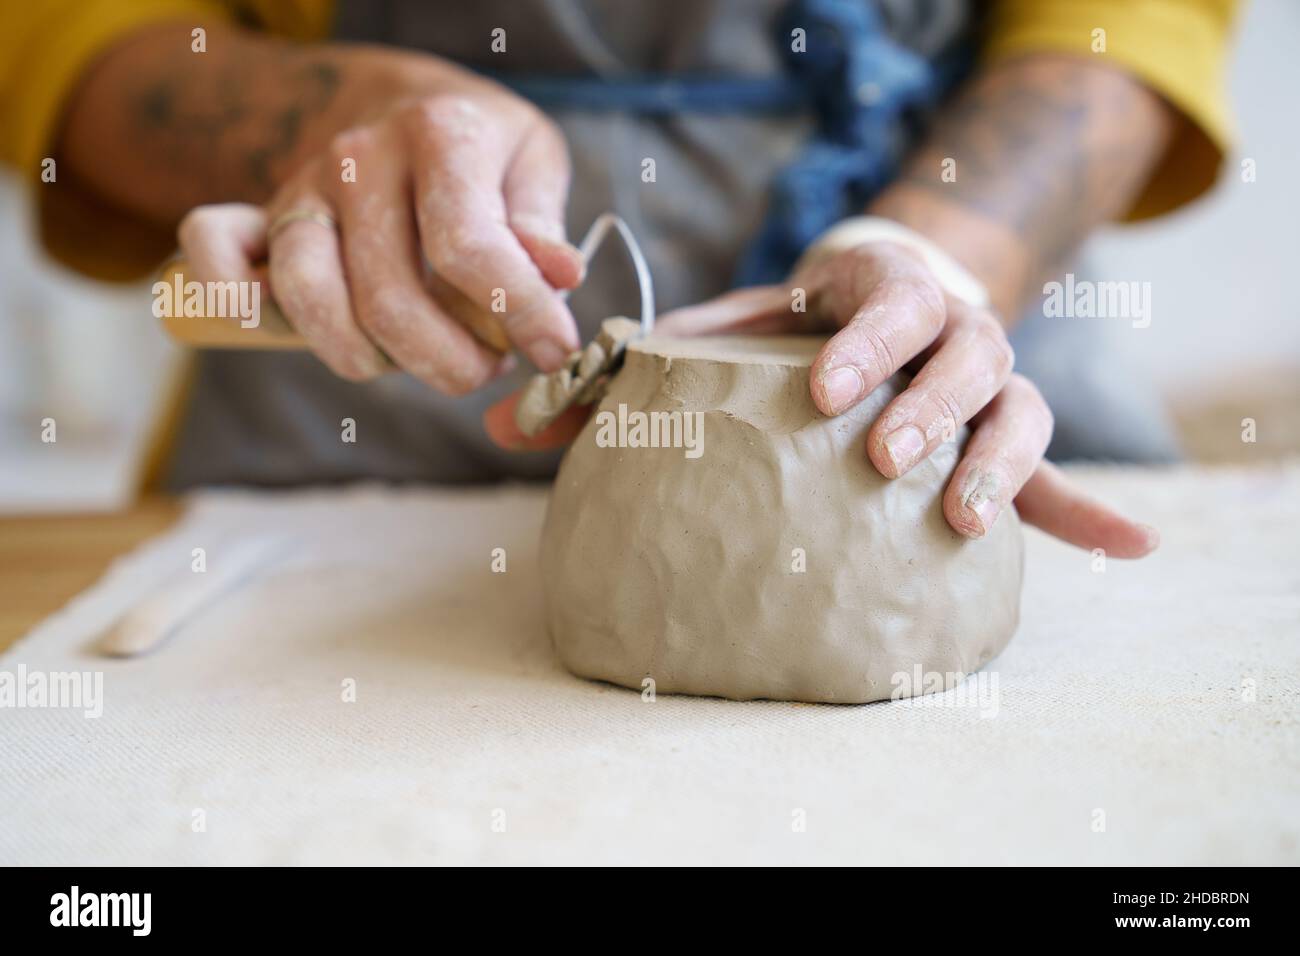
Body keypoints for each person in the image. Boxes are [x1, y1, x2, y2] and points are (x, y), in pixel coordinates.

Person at [0, 0, 1237, 557]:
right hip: (354, 421)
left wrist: (930, 259)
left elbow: (1131, 20)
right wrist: (320, 115)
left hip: (944, 339)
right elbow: (63, 25)